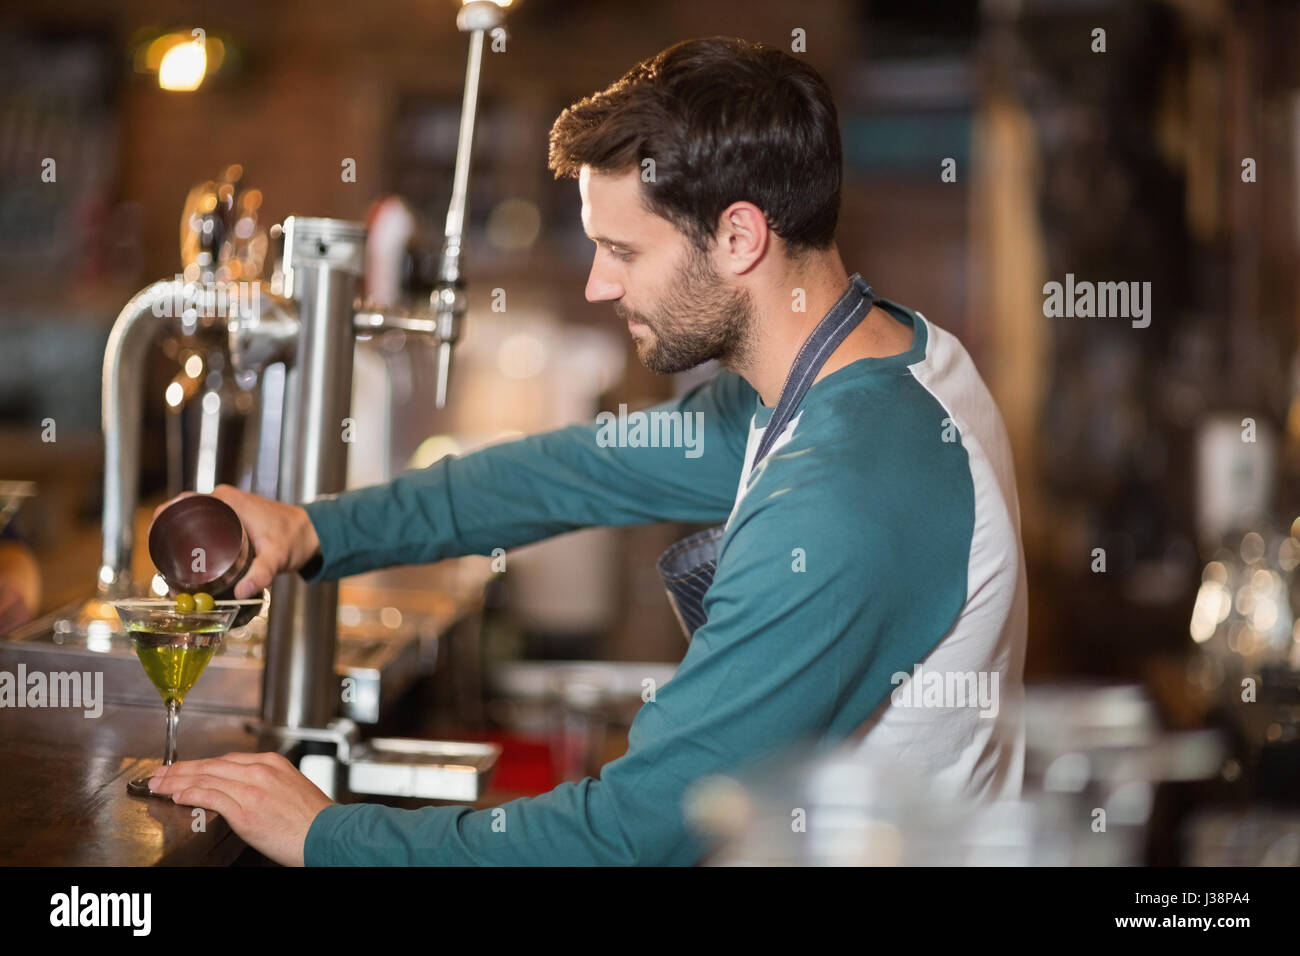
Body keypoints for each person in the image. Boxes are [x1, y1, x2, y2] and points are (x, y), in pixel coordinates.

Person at [147, 36, 1027, 866]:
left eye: (621, 250)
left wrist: (328, 836)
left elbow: (629, 837)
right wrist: (312, 528)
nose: (597, 283)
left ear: (739, 237)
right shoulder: (871, 363)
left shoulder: (849, 490)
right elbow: (573, 470)